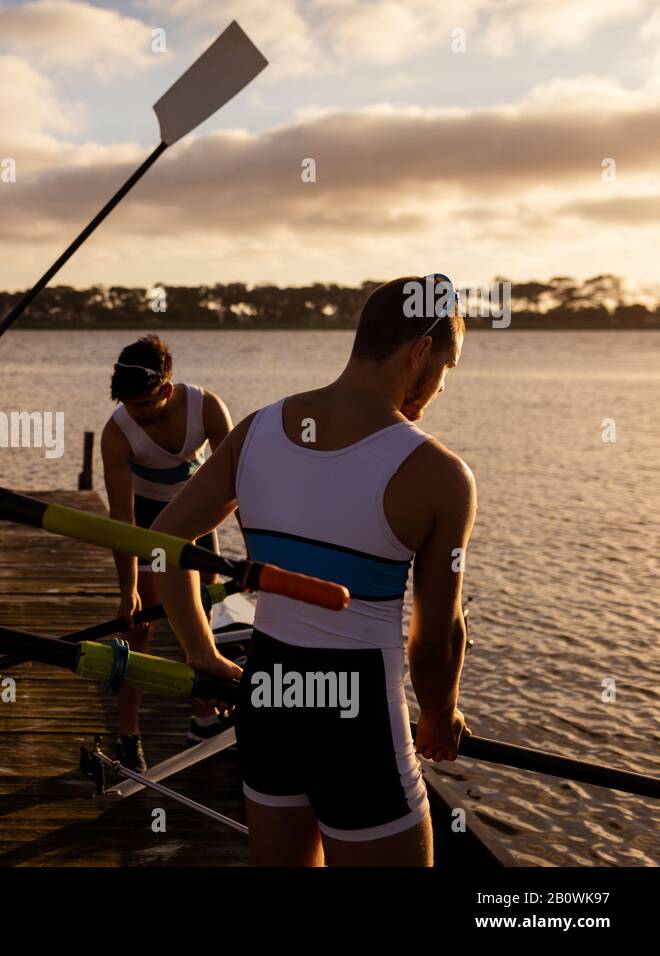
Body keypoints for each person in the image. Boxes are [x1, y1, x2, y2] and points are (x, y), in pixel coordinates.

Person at [151, 275, 472, 866]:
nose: (439, 390)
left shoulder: (256, 431)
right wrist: (439, 713)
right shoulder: (439, 475)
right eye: (445, 371)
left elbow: (161, 543)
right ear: (420, 352)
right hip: (358, 725)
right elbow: (434, 638)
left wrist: (199, 650)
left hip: (269, 701)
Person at [100, 334, 233, 771]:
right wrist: (127, 589)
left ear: (167, 390)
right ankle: (128, 736)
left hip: (196, 517)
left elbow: (240, 486)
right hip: (146, 520)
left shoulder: (207, 407)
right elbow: (121, 516)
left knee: (200, 625)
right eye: (128, 405)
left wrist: (256, 558)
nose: (134, 414)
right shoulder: (117, 432)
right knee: (140, 632)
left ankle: (202, 717)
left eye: (143, 405)